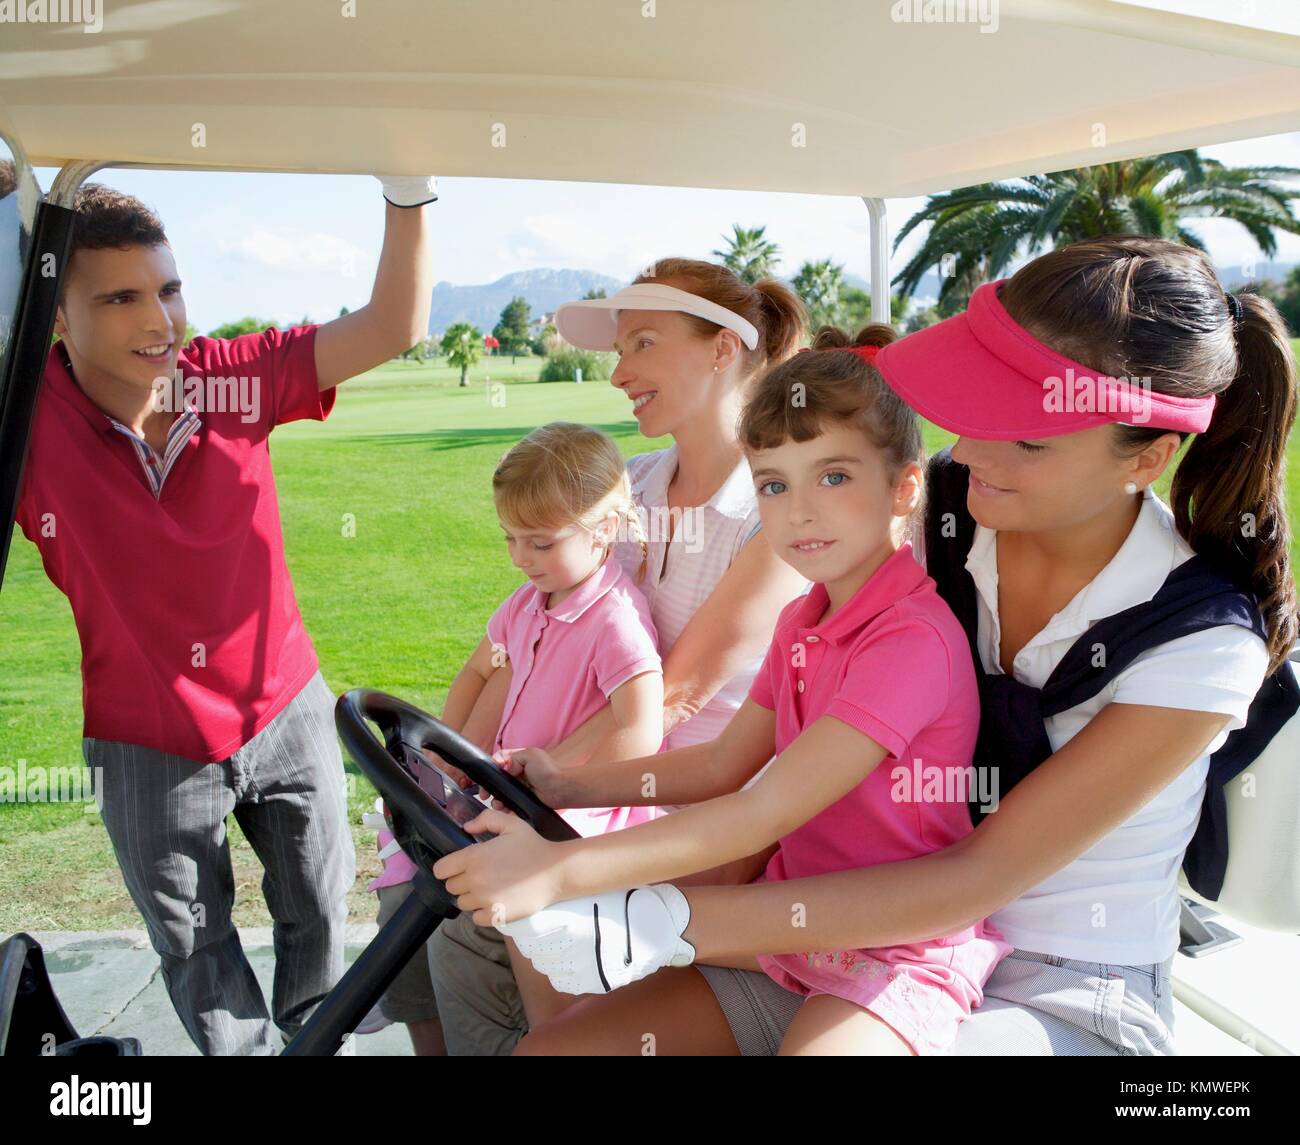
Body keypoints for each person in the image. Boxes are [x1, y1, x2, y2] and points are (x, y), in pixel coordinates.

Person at [445, 235, 1297, 1056]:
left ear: (1146, 458)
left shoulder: (1201, 643)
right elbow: (761, 751)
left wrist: (644, 912)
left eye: (1027, 437)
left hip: (1059, 983)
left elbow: (971, 881)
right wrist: (572, 811)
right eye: (975, 411)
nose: (968, 448)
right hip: (851, 928)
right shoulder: (941, 514)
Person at [437, 324, 1016, 1055]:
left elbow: (759, 809)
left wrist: (560, 869)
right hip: (783, 931)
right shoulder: (803, 621)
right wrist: (567, 784)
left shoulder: (910, 642)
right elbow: (720, 767)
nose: (798, 510)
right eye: (774, 484)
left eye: (833, 476)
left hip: (887, 950)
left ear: (903, 487)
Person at [15, 174, 438, 1055]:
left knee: (320, 921)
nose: (159, 320)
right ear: (57, 315)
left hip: (286, 706)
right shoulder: (22, 414)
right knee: (197, 954)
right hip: (144, 738)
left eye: (168, 288)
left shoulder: (233, 378)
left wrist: (408, 186)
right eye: (121, 297)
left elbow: (393, 326)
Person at [423, 258, 810, 1054]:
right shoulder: (629, 485)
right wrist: (460, 761)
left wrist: (522, 788)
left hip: (702, 824)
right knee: (442, 933)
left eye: (640, 343)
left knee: (528, 942)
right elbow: (522, 639)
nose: (618, 372)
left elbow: (675, 698)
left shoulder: (772, 510)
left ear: (721, 349)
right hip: (592, 799)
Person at [368, 421, 665, 1050]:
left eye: (539, 542)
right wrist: (446, 754)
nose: (520, 558)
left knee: (454, 919)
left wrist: (556, 786)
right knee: (400, 893)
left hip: (562, 819)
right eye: (510, 539)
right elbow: (481, 668)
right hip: (504, 797)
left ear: (604, 529)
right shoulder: (529, 602)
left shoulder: (614, 622)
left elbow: (640, 729)